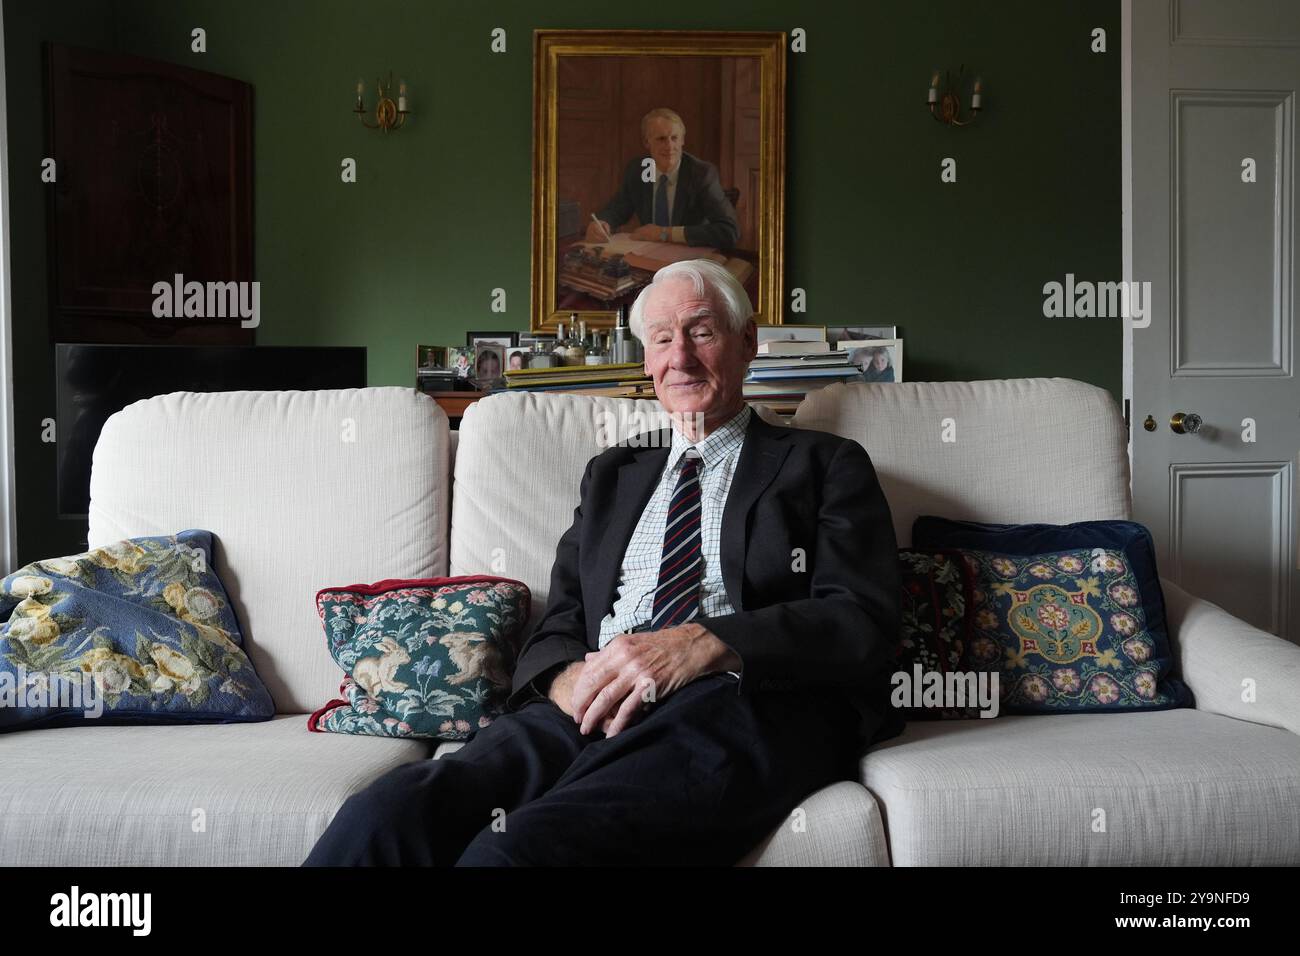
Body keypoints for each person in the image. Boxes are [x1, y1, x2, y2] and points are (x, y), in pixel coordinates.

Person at [302, 259, 901, 867]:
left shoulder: (824, 463)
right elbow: (562, 617)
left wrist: (704, 642)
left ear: (747, 342)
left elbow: (862, 618)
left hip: (741, 701)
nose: (681, 358)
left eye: (702, 332)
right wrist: (566, 682)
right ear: (647, 360)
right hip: (591, 702)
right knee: (382, 819)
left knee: (519, 852)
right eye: (663, 339)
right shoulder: (613, 474)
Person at [585, 108, 740, 252]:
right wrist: (601, 223)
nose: (669, 146)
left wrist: (665, 234)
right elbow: (618, 209)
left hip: (688, 259)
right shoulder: (642, 169)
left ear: (682, 140)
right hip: (649, 255)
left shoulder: (700, 173)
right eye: (661, 139)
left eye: (674, 138)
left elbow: (729, 231)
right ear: (647, 142)